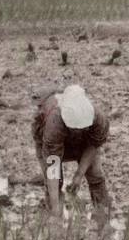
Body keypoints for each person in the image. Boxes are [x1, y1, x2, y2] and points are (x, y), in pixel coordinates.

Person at [34, 84, 111, 218]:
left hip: (84, 144)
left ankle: (103, 213)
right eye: (74, 127)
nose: (77, 130)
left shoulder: (99, 119)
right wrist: (56, 206)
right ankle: (53, 213)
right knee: (53, 182)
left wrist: (79, 175)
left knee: (96, 174)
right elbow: (53, 166)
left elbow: (93, 146)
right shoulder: (54, 123)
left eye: (81, 127)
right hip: (52, 144)